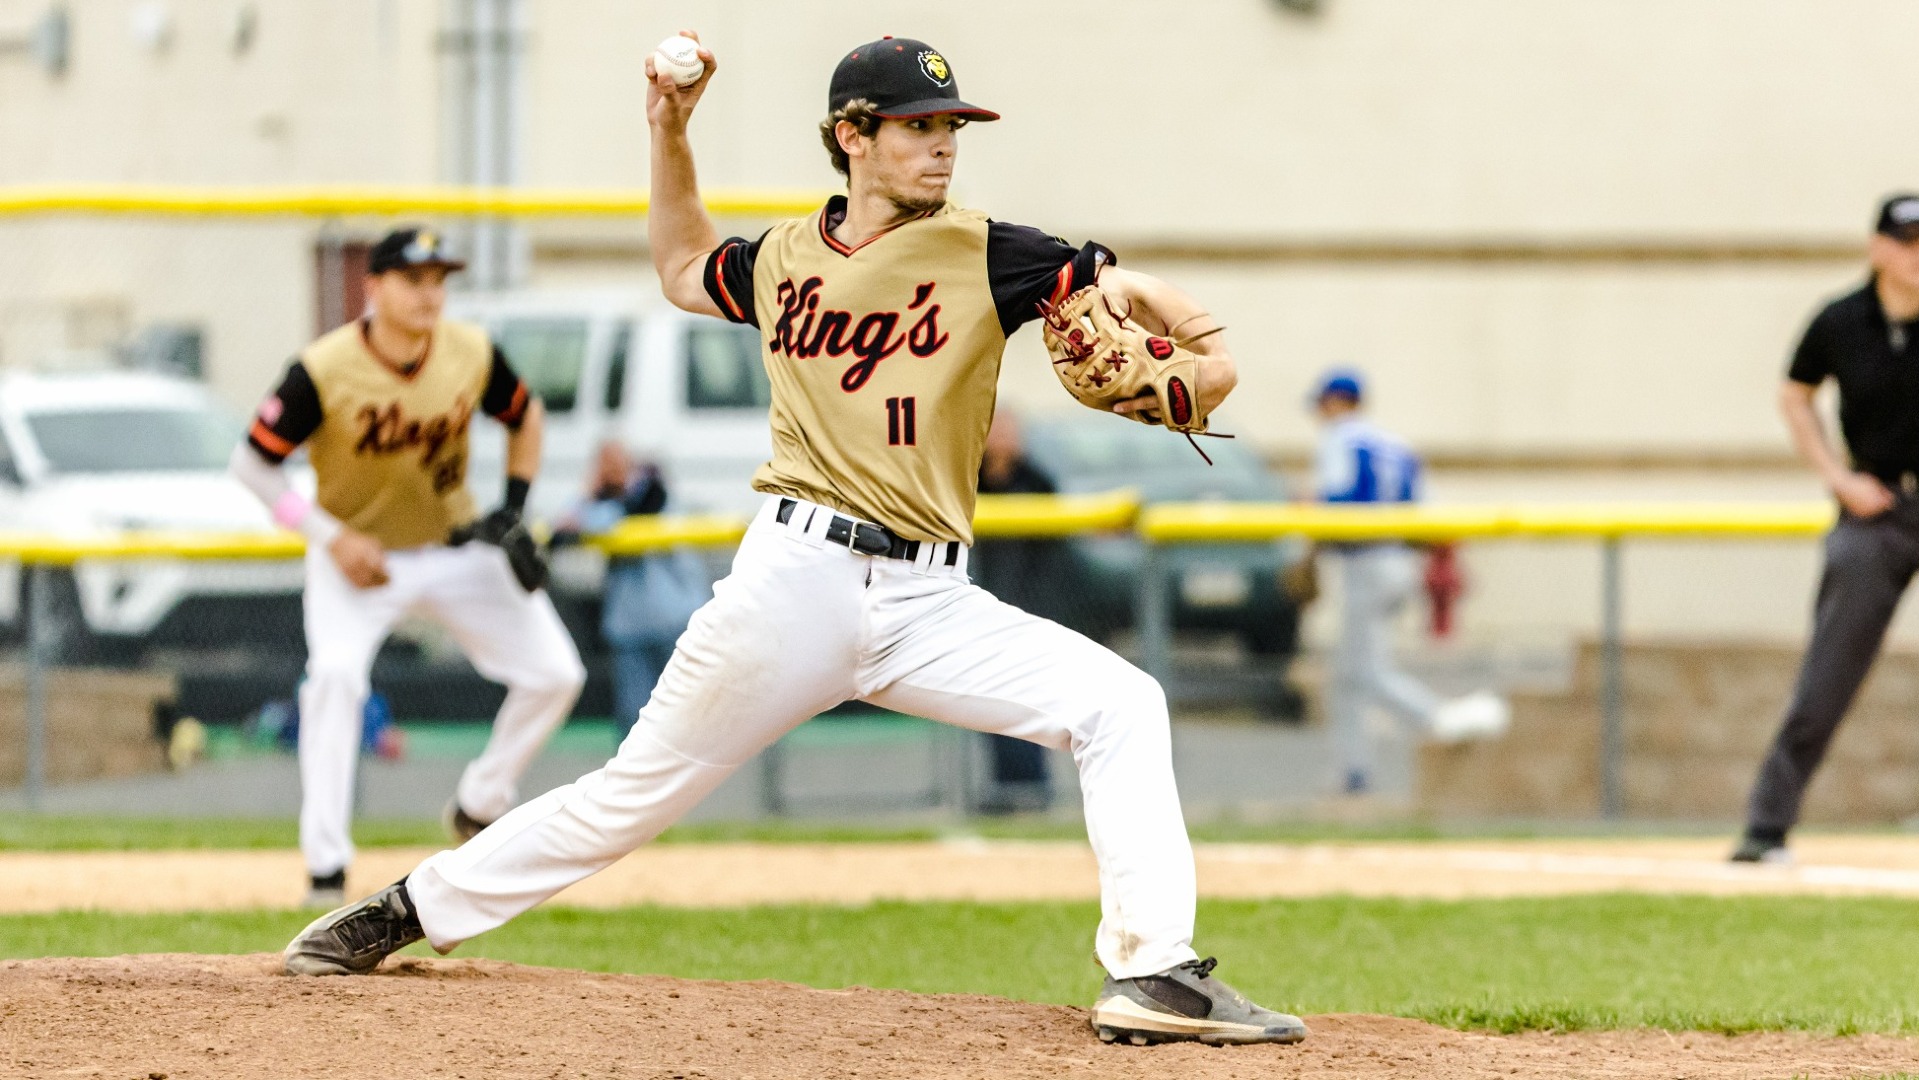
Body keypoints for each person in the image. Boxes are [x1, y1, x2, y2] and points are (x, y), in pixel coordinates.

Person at [282, 33, 1307, 1048]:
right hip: (793, 580)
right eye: (917, 126)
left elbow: (1128, 309)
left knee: (1119, 703)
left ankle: (1152, 970)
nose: (942, 144)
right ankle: (406, 910)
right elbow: (683, 264)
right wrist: (667, 129)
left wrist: (1194, 338)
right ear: (850, 136)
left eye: (950, 126)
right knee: (627, 798)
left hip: (930, 602)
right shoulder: (782, 257)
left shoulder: (997, 252)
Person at [232, 226, 586, 907]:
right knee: (333, 679)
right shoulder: (324, 366)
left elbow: (525, 415)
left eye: (438, 280)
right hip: (358, 561)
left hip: (455, 547)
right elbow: (251, 466)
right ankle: (326, 870)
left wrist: (513, 506)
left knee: (556, 673)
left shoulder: (468, 350)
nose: (429, 294)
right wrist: (326, 536)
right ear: (374, 287)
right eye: (413, 279)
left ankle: (479, 801)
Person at [1733, 194, 1919, 865]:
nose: (1916, 256)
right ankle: (1765, 828)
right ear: (1877, 247)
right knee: (1826, 675)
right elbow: (1794, 394)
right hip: (1876, 509)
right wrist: (1835, 477)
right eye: (1906, 241)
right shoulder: (1841, 322)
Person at [1309, 369, 1508, 796]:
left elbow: (1336, 501)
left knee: (1363, 670)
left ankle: (1440, 718)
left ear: (1337, 401)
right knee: (1348, 673)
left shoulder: (1341, 439)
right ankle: (1353, 771)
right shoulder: (1394, 444)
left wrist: (1306, 532)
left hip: (1365, 562)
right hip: (1400, 561)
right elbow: (1427, 513)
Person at [555, 440, 710, 744]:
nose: (610, 470)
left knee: (682, 715)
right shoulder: (602, 503)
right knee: (634, 718)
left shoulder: (654, 494)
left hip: (673, 620)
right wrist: (589, 492)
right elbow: (565, 524)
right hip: (631, 628)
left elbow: (617, 518)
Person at [970, 409, 1059, 813]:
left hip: (1030, 610)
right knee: (991, 704)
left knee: (1033, 702)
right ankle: (1003, 789)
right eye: (998, 430)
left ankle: (1034, 788)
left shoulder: (1037, 482)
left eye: (1011, 431)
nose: (1005, 439)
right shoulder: (969, 481)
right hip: (979, 612)